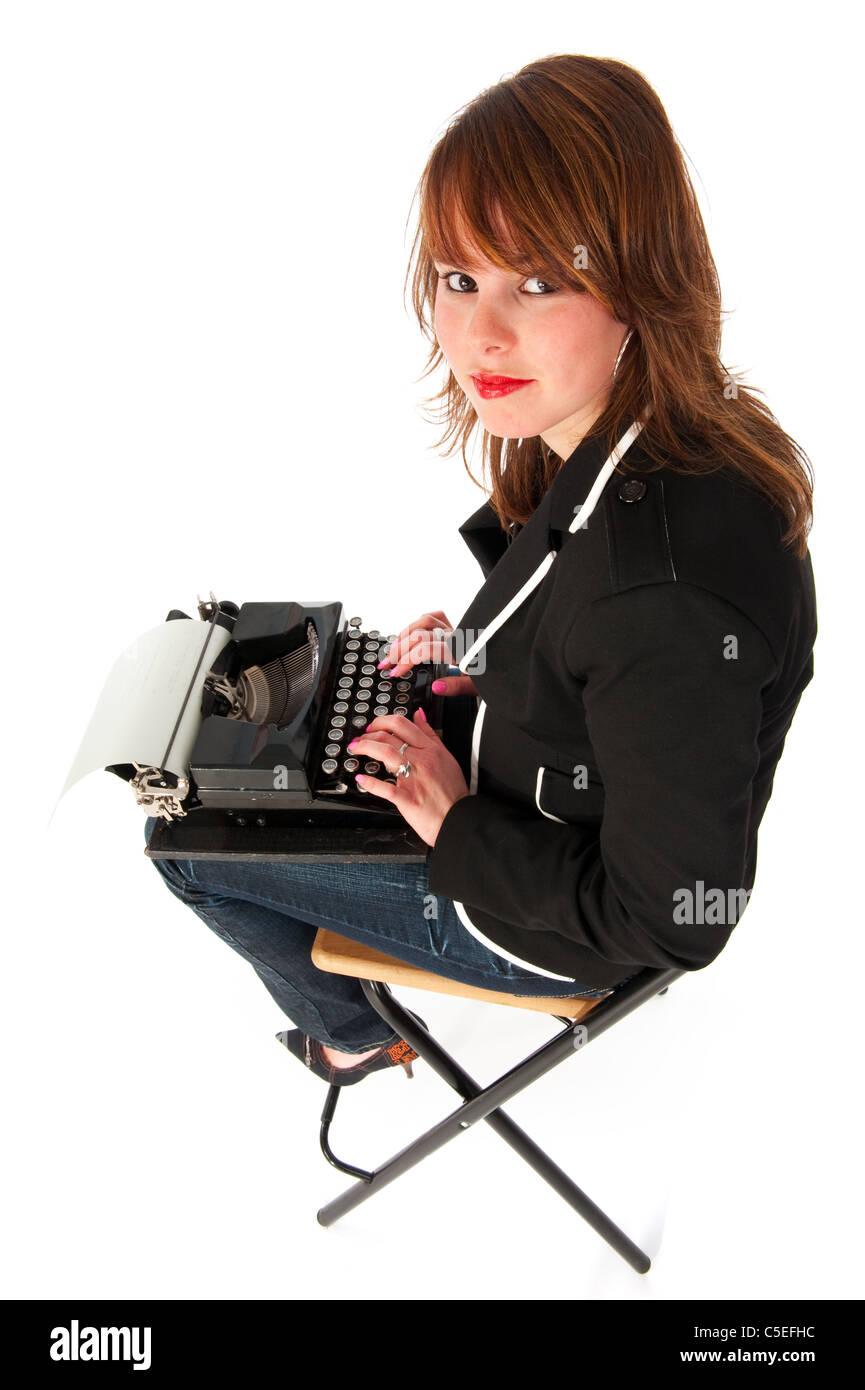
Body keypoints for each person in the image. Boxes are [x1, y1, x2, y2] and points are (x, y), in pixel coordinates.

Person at [146, 53, 817, 1087]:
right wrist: (482, 660)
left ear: (641, 280)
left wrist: (455, 820)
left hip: (545, 915)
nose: (478, 333)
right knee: (272, 736)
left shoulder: (666, 602)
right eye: (459, 280)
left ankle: (353, 1032)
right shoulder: (651, 432)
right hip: (535, 775)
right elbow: (592, 628)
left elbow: (673, 919)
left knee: (188, 839)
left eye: (539, 281)